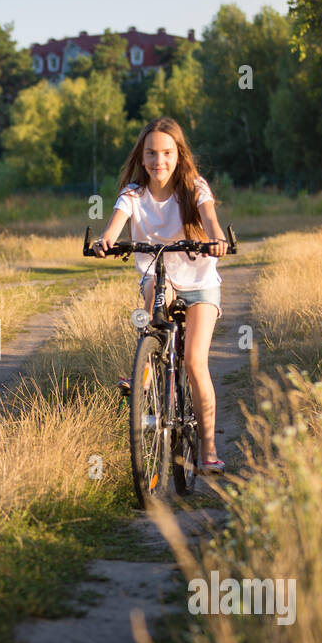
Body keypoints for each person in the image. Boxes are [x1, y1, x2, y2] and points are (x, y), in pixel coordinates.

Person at [93, 117, 228, 475]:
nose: (159, 161)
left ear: (179, 155)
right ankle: (145, 373)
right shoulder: (133, 195)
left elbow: (210, 219)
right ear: (141, 157)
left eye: (167, 153)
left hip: (200, 282)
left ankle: (209, 450)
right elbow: (115, 224)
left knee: (196, 362)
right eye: (151, 153)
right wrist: (106, 239)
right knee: (155, 292)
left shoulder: (194, 188)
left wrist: (216, 238)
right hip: (159, 275)